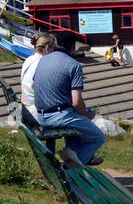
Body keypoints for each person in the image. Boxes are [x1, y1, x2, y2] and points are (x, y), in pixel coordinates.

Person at [33, 32, 107, 168]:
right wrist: (86, 114)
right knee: (98, 137)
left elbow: (34, 85)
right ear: (73, 46)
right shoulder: (74, 65)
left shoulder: (43, 59)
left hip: (41, 115)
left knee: (78, 116)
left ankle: (72, 149)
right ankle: (69, 169)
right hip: (58, 116)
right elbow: (77, 102)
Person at [20, 33, 56, 118]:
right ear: (47, 48)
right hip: (35, 110)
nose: (54, 51)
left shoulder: (29, 59)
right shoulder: (43, 63)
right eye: (53, 48)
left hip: (26, 102)